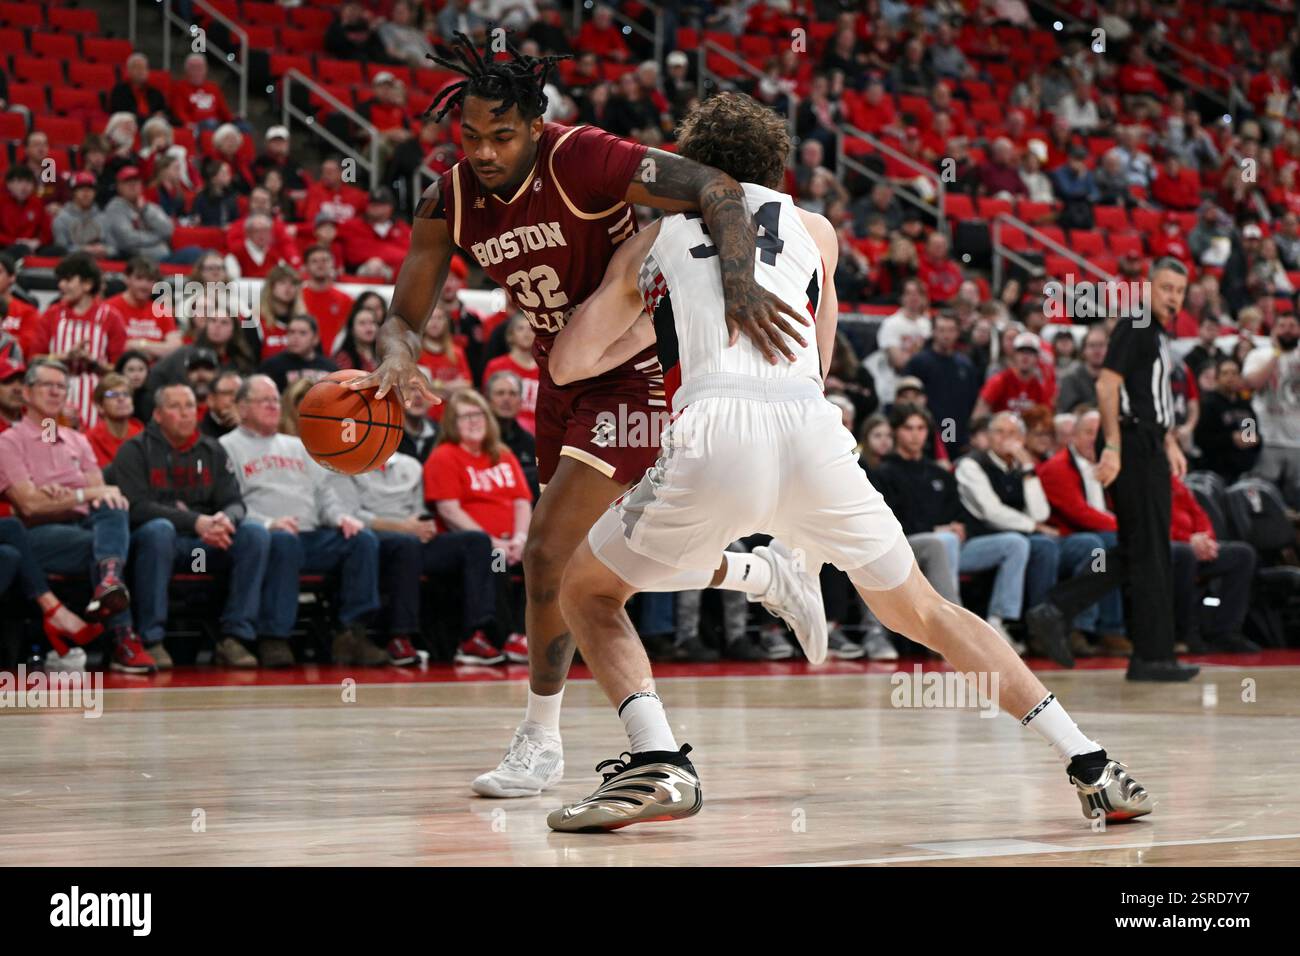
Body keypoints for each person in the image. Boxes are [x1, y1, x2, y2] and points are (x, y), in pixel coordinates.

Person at [543, 92, 1153, 832]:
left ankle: (660, 759)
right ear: (777, 168)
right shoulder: (818, 229)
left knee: (585, 587)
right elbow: (822, 359)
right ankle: (1088, 760)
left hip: (713, 428)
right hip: (811, 427)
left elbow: (571, 364)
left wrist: (659, 316)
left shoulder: (652, 240)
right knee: (925, 610)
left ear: (690, 169)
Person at [354, 39, 819, 800]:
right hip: (562, 379)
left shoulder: (590, 159)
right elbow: (404, 314)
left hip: (633, 375)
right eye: (470, 136)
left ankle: (543, 741)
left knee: (545, 558)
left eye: (501, 137)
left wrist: (737, 287)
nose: (484, 151)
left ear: (537, 128)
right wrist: (397, 354)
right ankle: (758, 571)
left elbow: (718, 187)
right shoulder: (449, 198)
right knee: (585, 569)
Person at [1074, 257, 1197, 681]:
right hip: (1133, 445)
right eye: (1166, 288)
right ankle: (1149, 656)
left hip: (1151, 443)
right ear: (1146, 287)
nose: (1173, 298)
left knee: (1149, 552)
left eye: (1179, 291)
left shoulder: (1157, 331)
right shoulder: (1138, 322)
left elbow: (1148, 397)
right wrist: (1113, 445)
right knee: (1146, 552)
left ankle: (1153, 654)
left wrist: (1168, 441)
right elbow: (1107, 385)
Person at [219, 375, 386, 668]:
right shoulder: (226, 447)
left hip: (311, 534)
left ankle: (352, 633)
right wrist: (269, 523)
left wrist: (341, 518)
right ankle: (275, 637)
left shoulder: (299, 446)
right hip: (266, 537)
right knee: (284, 541)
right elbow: (230, 503)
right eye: (263, 401)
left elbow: (325, 496)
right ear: (242, 408)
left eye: (275, 400)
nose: (273, 406)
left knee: (362, 540)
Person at [0, 360, 150, 672]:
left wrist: (67, 495)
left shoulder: (77, 441)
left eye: (61, 386)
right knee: (114, 546)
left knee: (114, 505)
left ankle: (108, 580)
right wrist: (80, 495)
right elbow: (29, 505)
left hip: (87, 524)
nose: (55, 391)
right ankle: (122, 636)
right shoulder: (8, 442)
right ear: (26, 392)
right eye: (47, 385)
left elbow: (103, 494)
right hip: (39, 535)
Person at [112, 382, 270, 669]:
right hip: (159, 547)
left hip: (205, 548)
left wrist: (226, 519)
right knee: (159, 530)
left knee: (254, 533)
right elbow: (136, 507)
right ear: (158, 415)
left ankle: (235, 638)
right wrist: (195, 522)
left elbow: (235, 501)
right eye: (175, 407)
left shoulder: (212, 450)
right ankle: (151, 639)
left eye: (189, 406)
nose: (185, 414)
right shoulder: (134, 451)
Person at [33, 253, 127, 428]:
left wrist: (93, 361)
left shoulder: (110, 317)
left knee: (90, 450)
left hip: (96, 400)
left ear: (87, 284)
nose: (61, 285)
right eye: (60, 280)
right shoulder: (52, 315)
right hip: (54, 396)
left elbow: (119, 369)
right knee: (50, 445)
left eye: (67, 280)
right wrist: (64, 357)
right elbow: (34, 359)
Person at [1242, 312, 1300, 507]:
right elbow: (1252, 383)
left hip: (1298, 441)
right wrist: (1276, 354)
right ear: (1274, 330)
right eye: (1282, 326)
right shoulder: (1259, 354)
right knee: (1264, 497)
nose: (1287, 330)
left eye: (1292, 326)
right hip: (1268, 439)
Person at [1194, 355, 1262, 482]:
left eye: (1234, 373)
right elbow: (1201, 439)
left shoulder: (1245, 404)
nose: (1230, 378)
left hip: (1244, 471)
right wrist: (1230, 439)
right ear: (1217, 378)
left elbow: (1251, 434)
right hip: (1217, 472)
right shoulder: (1208, 403)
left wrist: (1255, 439)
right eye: (1225, 373)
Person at [105, 256, 183, 361]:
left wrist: (139, 344)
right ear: (127, 279)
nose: (144, 285)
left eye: (150, 280)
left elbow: (176, 348)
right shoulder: (109, 308)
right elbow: (111, 346)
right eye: (139, 278)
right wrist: (158, 348)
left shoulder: (161, 310)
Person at [486, 368, 540, 498]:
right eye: (500, 393)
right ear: (487, 400)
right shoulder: (477, 440)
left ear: (521, 401)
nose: (506, 399)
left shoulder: (529, 442)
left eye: (513, 394)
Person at [482, 313, 538, 434]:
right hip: (503, 429)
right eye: (520, 328)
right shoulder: (496, 366)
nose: (526, 333)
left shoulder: (545, 369)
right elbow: (487, 401)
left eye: (531, 329)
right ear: (511, 335)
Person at [258, 316, 338, 392]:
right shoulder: (270, 367)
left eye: (302, 333)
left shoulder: (330, 369)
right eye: (291, 332)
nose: (295, 337)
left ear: (315, 339)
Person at [85, 373, 143, 467]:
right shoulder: (89, 440)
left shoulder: (142, 434)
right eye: (112, 394)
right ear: (100, 406)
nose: (121, 398)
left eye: (126, 394)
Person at [1055, 325, 1108, 413]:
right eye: (1092, 345)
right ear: (1083, 351)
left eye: (1101, 345)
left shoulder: (1115, 378)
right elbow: (1070, 411)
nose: (1097, 350)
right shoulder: (1070, 379)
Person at [201, 369, 242, 439]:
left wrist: (242, 427)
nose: (234, 398)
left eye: (240, 393)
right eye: (228, 393)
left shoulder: (252, 426)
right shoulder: (199, 433)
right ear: (211, 400)